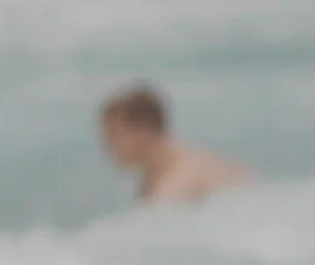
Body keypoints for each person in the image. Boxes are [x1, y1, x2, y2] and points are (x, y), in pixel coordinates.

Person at [97, 84, 251, 205]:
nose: (108, 146)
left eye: (113, 136)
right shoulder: (155, 177)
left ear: (143, 131)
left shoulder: (179, 184)